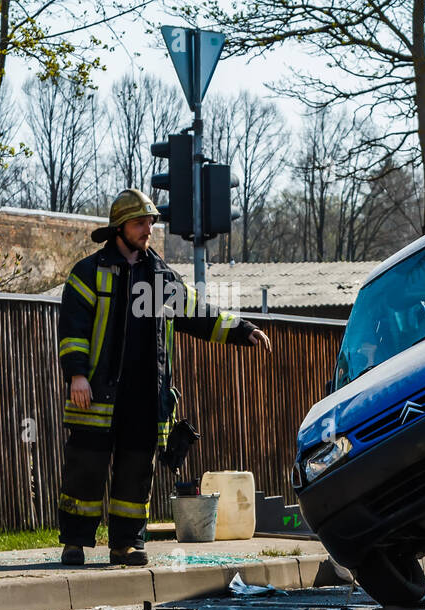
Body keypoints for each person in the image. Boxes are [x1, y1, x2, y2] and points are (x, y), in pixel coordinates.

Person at [55, 188, 272, 567]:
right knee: (85, 470)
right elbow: (73, 329)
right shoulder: (87, 274)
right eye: (140, 223)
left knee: (136, 473)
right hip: (97, 393)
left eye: (151, 222)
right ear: (120, 227)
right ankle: (74, 543)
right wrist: (77, 375)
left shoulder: (159, 276)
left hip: (144, 396)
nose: (148, 230)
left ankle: (125, 545)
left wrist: (241, 330)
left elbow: (198, 313)